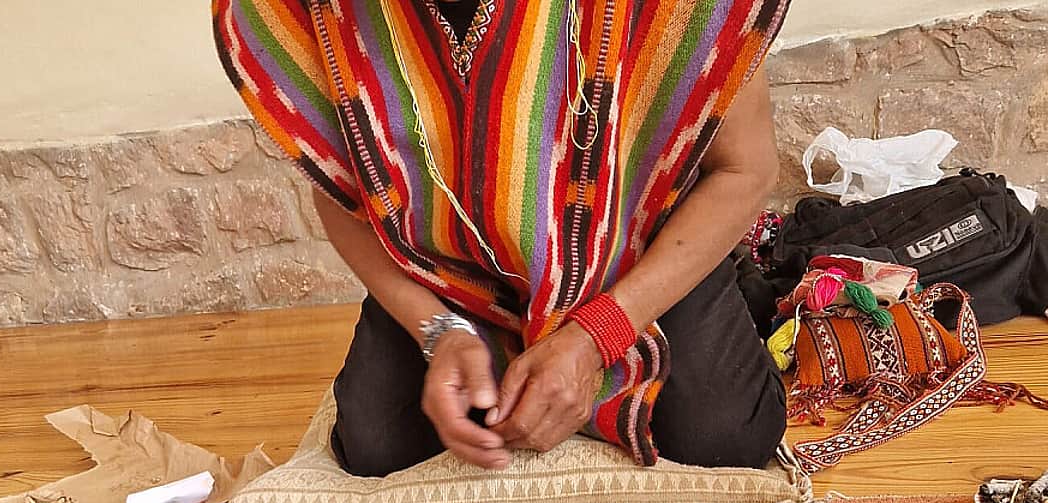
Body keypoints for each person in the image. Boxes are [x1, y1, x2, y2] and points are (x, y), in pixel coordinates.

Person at [215, 0, 789, 477]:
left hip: (638, 242)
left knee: (724, 441)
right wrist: (439, 331)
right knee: (377, 447)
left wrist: (599, 334)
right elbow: (340, 182)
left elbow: (745, 170)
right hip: (447, 266)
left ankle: (734, 278)